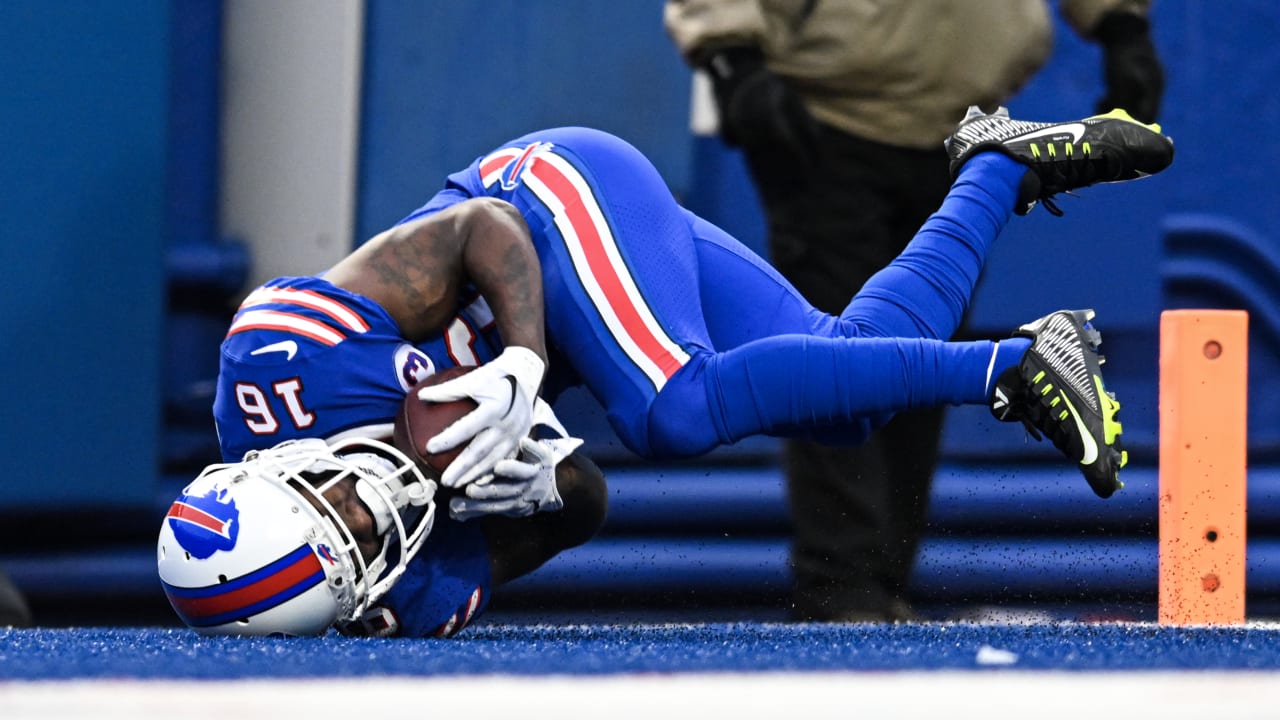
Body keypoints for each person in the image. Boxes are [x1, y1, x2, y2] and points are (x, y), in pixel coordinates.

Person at [161, 105, 1173, 638]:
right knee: (846, 389)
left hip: (548, 197)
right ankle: (996, 163)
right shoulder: (400, 587)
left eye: (336, 503)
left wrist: (518, 357)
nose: (371, 510)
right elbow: (583, 502)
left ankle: (1013, 363)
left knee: (671, 412)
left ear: (266, 470)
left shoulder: (284, 363)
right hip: (576, 283)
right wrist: (534, 495)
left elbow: (484, 227)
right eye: (364, 542)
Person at [664, 0, 1166, 622]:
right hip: (830, 116)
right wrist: (730, 54)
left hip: (957, 104)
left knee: (824, 374)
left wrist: (1118, 22)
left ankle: (863, 586)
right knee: (831, 373)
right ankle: (849, 584)